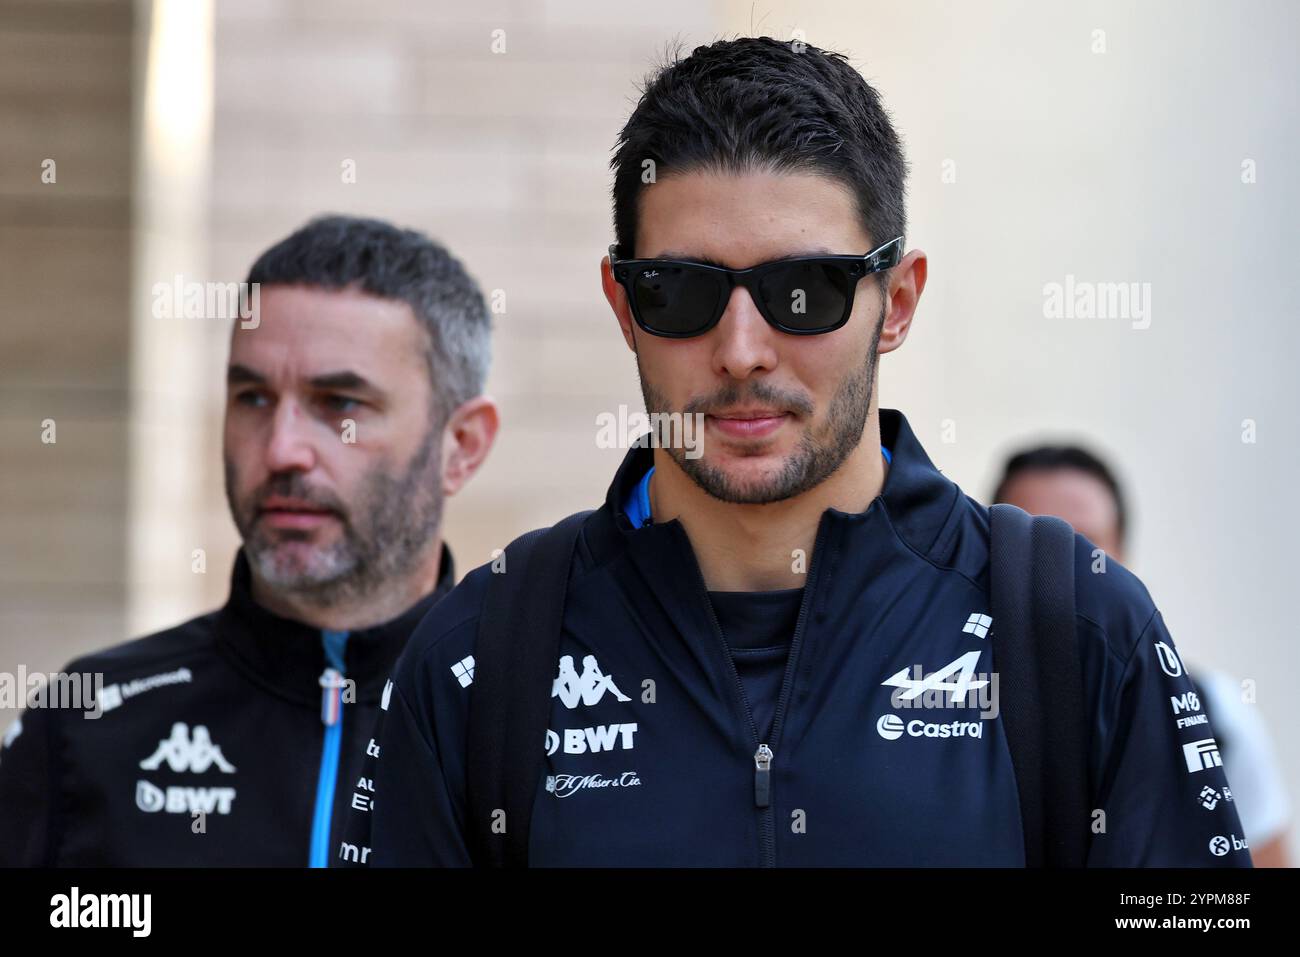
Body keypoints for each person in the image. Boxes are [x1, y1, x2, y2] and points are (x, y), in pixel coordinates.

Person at [345, 38, 1249, 866]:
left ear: (896, 302)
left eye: (805, 290)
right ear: (624, 307)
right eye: (682, 291)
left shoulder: (1080, 630)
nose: (742, 350)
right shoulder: (482, 653)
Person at [0, 215, 498, 866]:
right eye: (254, 397)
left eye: (339, 403)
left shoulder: (549, 729)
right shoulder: (84, 727)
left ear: (460, 446)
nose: (282, 449)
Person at [994, 443, 1291, 867]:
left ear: (1123, 563)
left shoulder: (1218, 714)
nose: (1059, 567)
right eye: (1033, 544)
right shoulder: (942, 706)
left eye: (1084, 545)